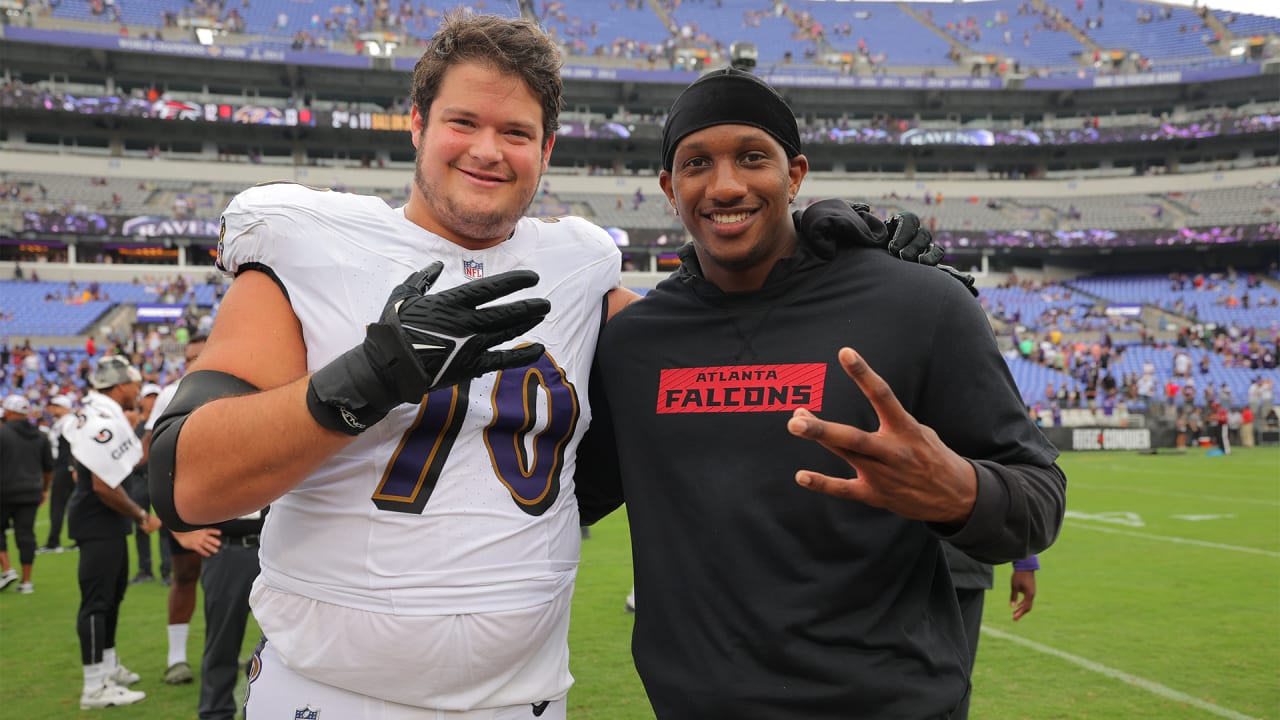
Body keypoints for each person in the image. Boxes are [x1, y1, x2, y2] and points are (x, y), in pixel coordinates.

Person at [149, 12, 621, 719]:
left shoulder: (580, 262)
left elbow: (700, 351)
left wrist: (801, 263)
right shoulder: (310, 241)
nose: (489, 150)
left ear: (547, 148)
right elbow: (186, 481)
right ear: (417, 125)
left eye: (516, 133)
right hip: (327, 695)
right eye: (463, 122)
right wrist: (369, 376)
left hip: (528, 698)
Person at [577, 67, 1066, 718]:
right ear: (670, 187)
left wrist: (959, 493)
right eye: (697, 163)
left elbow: (1036, 498)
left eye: (753, 157)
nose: (726, 185)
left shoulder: (920, 303)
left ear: (795, 173)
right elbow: (561, 496)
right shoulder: (634, 343)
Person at [67, 356, 162, 709]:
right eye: (135, 384)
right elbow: (104, 486)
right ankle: (94, 687)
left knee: (112, 595)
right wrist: (140, 514)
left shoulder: (95, 410)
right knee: (97, 602)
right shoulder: (102, 418)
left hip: (103, 521)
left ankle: (107, 667)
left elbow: (123, 464)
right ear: (121, 385)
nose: (138, 390)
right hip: (98, 520)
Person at [143, 337, 208, 685]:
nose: (192, 363)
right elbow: (152, 451)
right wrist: (172, 516)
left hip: (238, 503)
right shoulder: (170, 393)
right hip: (187, 503)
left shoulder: (245, 384)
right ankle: (176, 658)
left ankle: (226, 649)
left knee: (237, 580)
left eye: (200, 356)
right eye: (189, 358)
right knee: (185, 577)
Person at [172, 505, 267, 720]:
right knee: (222, 644)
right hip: (228, 550)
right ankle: (215, 713)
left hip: (279, 550)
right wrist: (180, 532)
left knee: (286, 640)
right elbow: (167, 482)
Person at [944, 546, 1040, 719]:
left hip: (958, 565)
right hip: (962, 562)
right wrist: (1025, 562)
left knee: (955, 678)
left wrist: (1025, 561)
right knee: (955, 678)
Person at [0, 394, 54, 593]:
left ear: (9, 411)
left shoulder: (2, 432)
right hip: (32, 490)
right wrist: (44, 489)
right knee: (26, 535)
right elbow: (49, 469)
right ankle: (26, 581)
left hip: (4, 490)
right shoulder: (40, 435)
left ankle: (7, 569)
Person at [126, 382, 166, 584]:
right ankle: (145, 569)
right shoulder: (134, 423)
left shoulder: (164, 420)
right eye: (148, 397)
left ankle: (167, 570)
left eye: (154, 397)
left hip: (159, 478)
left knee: (166, 525)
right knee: (141, 524)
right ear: (141, 399)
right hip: (139, 479)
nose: (152, 401)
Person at [40, 395, 78, 553]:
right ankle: (74, 540)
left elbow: (74, 445)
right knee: (67, 505)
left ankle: (53, 542)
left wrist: (72, 467)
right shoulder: (61, 422)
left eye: (56, 406)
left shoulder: (69, 421)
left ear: (64, 407)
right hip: (62, 466)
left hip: (65, 467)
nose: (52, 409)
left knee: (59, 504)